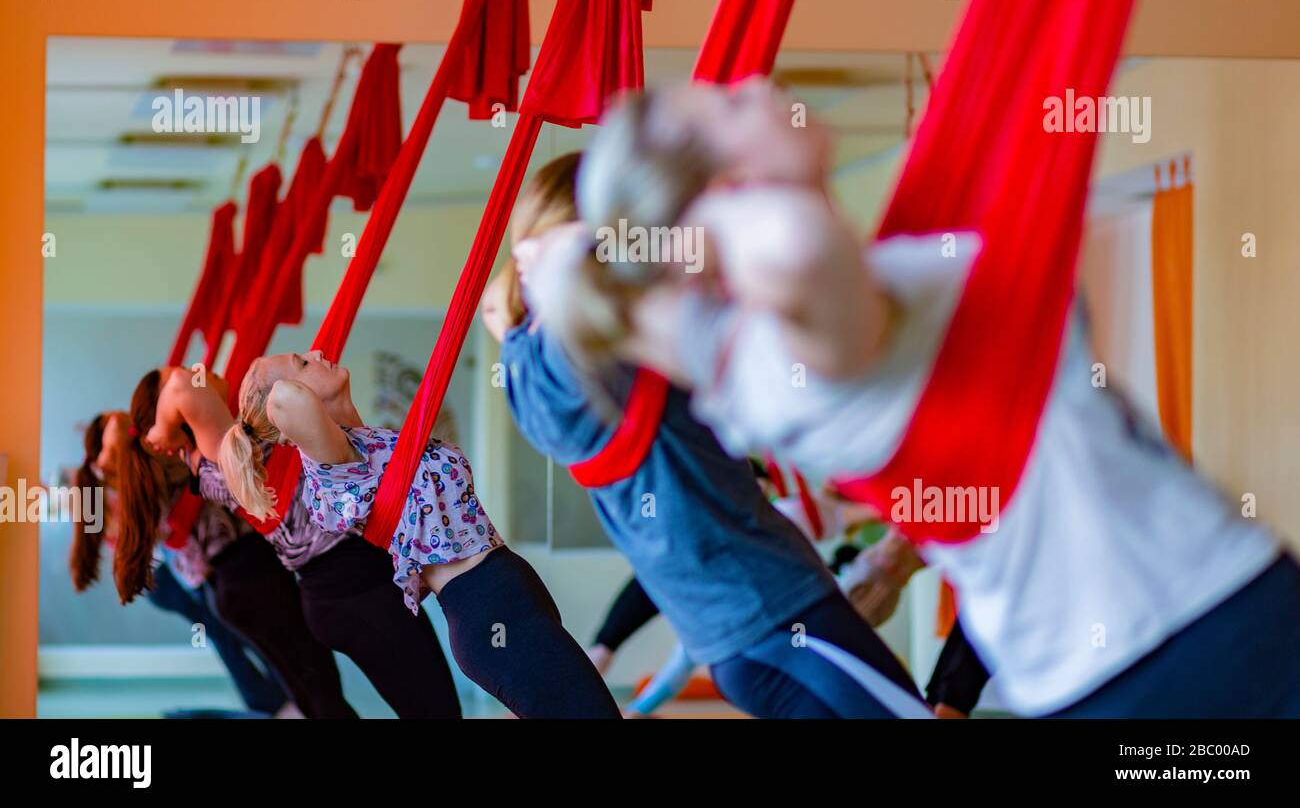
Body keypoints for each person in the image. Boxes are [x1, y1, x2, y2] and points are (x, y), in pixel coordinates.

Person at [525, 78, 1300, 719]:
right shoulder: (778, 354)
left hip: (1184, 621)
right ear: (720, 188)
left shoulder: (834, 296)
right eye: (729, 108)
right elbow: (793, 247)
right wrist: (703, 223)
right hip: (1181, 648)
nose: (757, 87)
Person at [483, 153, 931, 720]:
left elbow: (503, 305)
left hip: (736, 631)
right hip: (777, 607)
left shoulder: (525, 363)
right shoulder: (590, 355)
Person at [214, 351, 620, 719]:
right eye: (303, 362)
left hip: (508, 592)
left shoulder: (368, 443)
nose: (319, 352)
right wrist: (269, 396)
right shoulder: (333, 471)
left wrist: (303, 380)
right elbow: (283, 398)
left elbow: (294, 398)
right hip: (487, 608)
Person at [136, 366, 463, 719]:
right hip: (346, 584)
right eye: (183, 370)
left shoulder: (224, 442)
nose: (199, 367)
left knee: (433, 707)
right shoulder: (215, 449)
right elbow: (185, 387)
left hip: (346, 581)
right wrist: (161, 430)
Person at [73, 408, 352, 718]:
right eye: (124, 424)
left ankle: (281, 708)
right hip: (243, 575)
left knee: (295, 673)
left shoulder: (154, 475)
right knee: (308, 674)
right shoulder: (160, 466)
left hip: (230, 582)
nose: (135, 418)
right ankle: (278, 707)